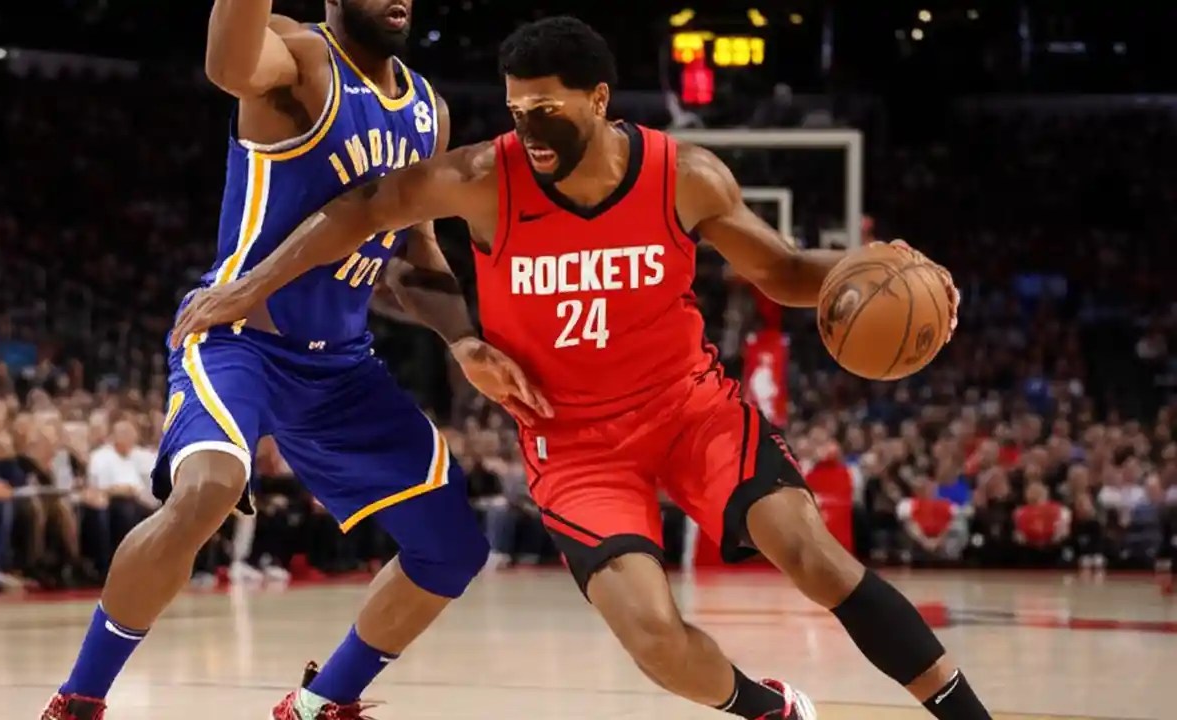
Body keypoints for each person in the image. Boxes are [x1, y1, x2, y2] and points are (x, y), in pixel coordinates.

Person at [173, 16, 993, 720]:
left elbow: (780, 271)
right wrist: (251, 285)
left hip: (691, 411)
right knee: (652, 636)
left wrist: (874, 269)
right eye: (517, 108)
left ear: (599, 101)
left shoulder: (685, 176)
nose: (529, 126)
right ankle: (767, 706)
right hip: (574, 448)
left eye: (548, 108)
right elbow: (359, 211)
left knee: (814, 555)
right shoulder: (486, 178)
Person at [42, 1, 513, 718]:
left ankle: (323, 699)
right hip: (240, 338)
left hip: (342, 367)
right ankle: (80, 697)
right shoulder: (297, 60)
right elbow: (226, 63)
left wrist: (462, 341)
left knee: (452, 550)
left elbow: (415, 254)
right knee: (208, 490)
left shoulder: (427, 110)